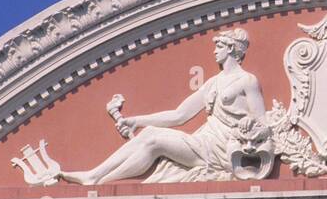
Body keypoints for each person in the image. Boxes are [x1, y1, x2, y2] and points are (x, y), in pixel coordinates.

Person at [58, 28, 270, 185]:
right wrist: (136, 121)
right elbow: (179, 115)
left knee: (154, 140)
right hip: (204, 142)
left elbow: (263, 124)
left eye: (219, 46)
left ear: (231, 48)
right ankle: (96, 177)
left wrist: (248, 124)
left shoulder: (247, 81)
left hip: (220, 149)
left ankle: (97, 178)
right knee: (150, 134)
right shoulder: (212, 83)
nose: (214, 51)